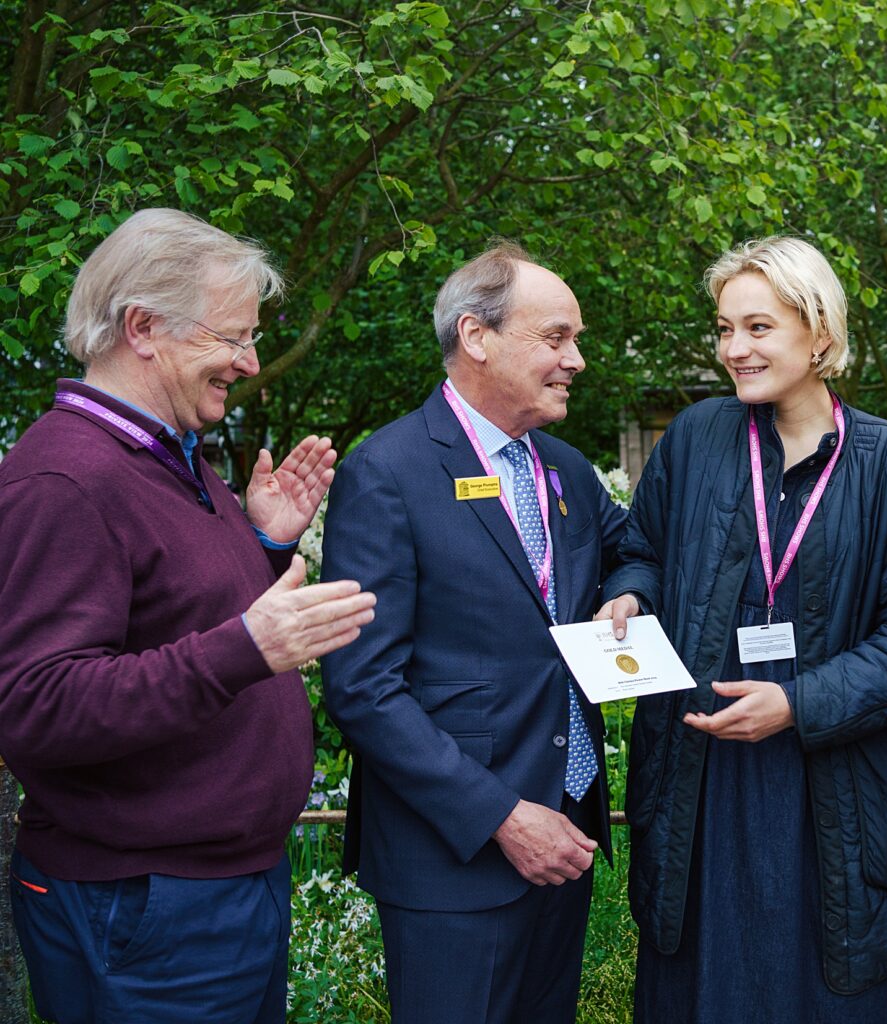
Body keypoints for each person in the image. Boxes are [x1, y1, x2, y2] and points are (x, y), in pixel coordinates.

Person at [0, 208, 376, 1023]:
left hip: (216, 889)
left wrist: (264, 545)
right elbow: (35, 707)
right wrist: (246, 646)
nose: (248, 362)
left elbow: (176, 623)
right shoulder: (66, 480)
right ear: (143, 327)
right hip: (141, 906)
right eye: (232, 337)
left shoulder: (176, 459)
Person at [599, 236, 887, 1022]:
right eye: (725, 329)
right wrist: (629, 594)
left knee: (825, 988)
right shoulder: (695, 439)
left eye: (758, 328)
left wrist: (798, 704)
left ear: (820, 333)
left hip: (839, 794)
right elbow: (643, 549)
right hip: (705, 781)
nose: (735, 349)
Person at [319, 241, 627, 1024]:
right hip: (453, 862)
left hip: (568, 836)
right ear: (476, 335)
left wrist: (625, 593)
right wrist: (501, 816)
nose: (577, 360)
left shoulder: (564, 468)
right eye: (557, 338)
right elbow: (363, 689)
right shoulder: (385, 472)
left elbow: (636, 552)